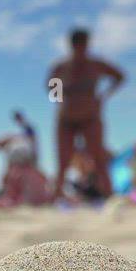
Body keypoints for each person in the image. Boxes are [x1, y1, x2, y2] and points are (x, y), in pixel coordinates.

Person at [48, 27, 125, 200]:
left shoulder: (96, 65)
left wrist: (103, 96)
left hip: (90, 118)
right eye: (78, 45)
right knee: (63, 161)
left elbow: (120, 77)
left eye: (84, 44)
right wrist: (62, 100)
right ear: (72, 45)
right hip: (66, 120)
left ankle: (109, 195)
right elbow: (51, 88)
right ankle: (55, 197)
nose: (81, 48)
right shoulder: (61, 67)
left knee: (98, 157)